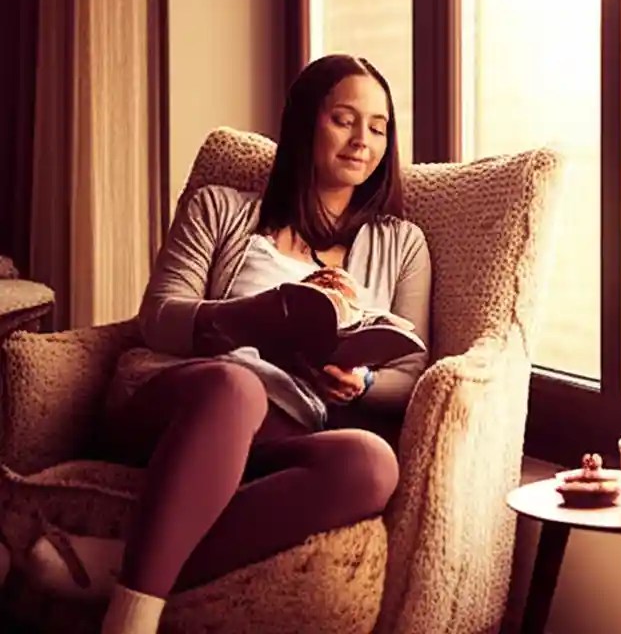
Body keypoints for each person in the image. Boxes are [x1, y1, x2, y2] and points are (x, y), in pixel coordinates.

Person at [19, 54, 431, 634]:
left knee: (369, 463)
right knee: (235, 385)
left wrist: (360, 381)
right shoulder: (220, 207)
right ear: (304, 123)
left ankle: (120, 566)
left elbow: (412, 368)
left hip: (289, 426)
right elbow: (159, 317)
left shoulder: (402, 243)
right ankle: (130, 619)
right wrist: (258, 319)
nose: (363, 140)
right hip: (184, 405)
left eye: (379, 126)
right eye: (344, 119)